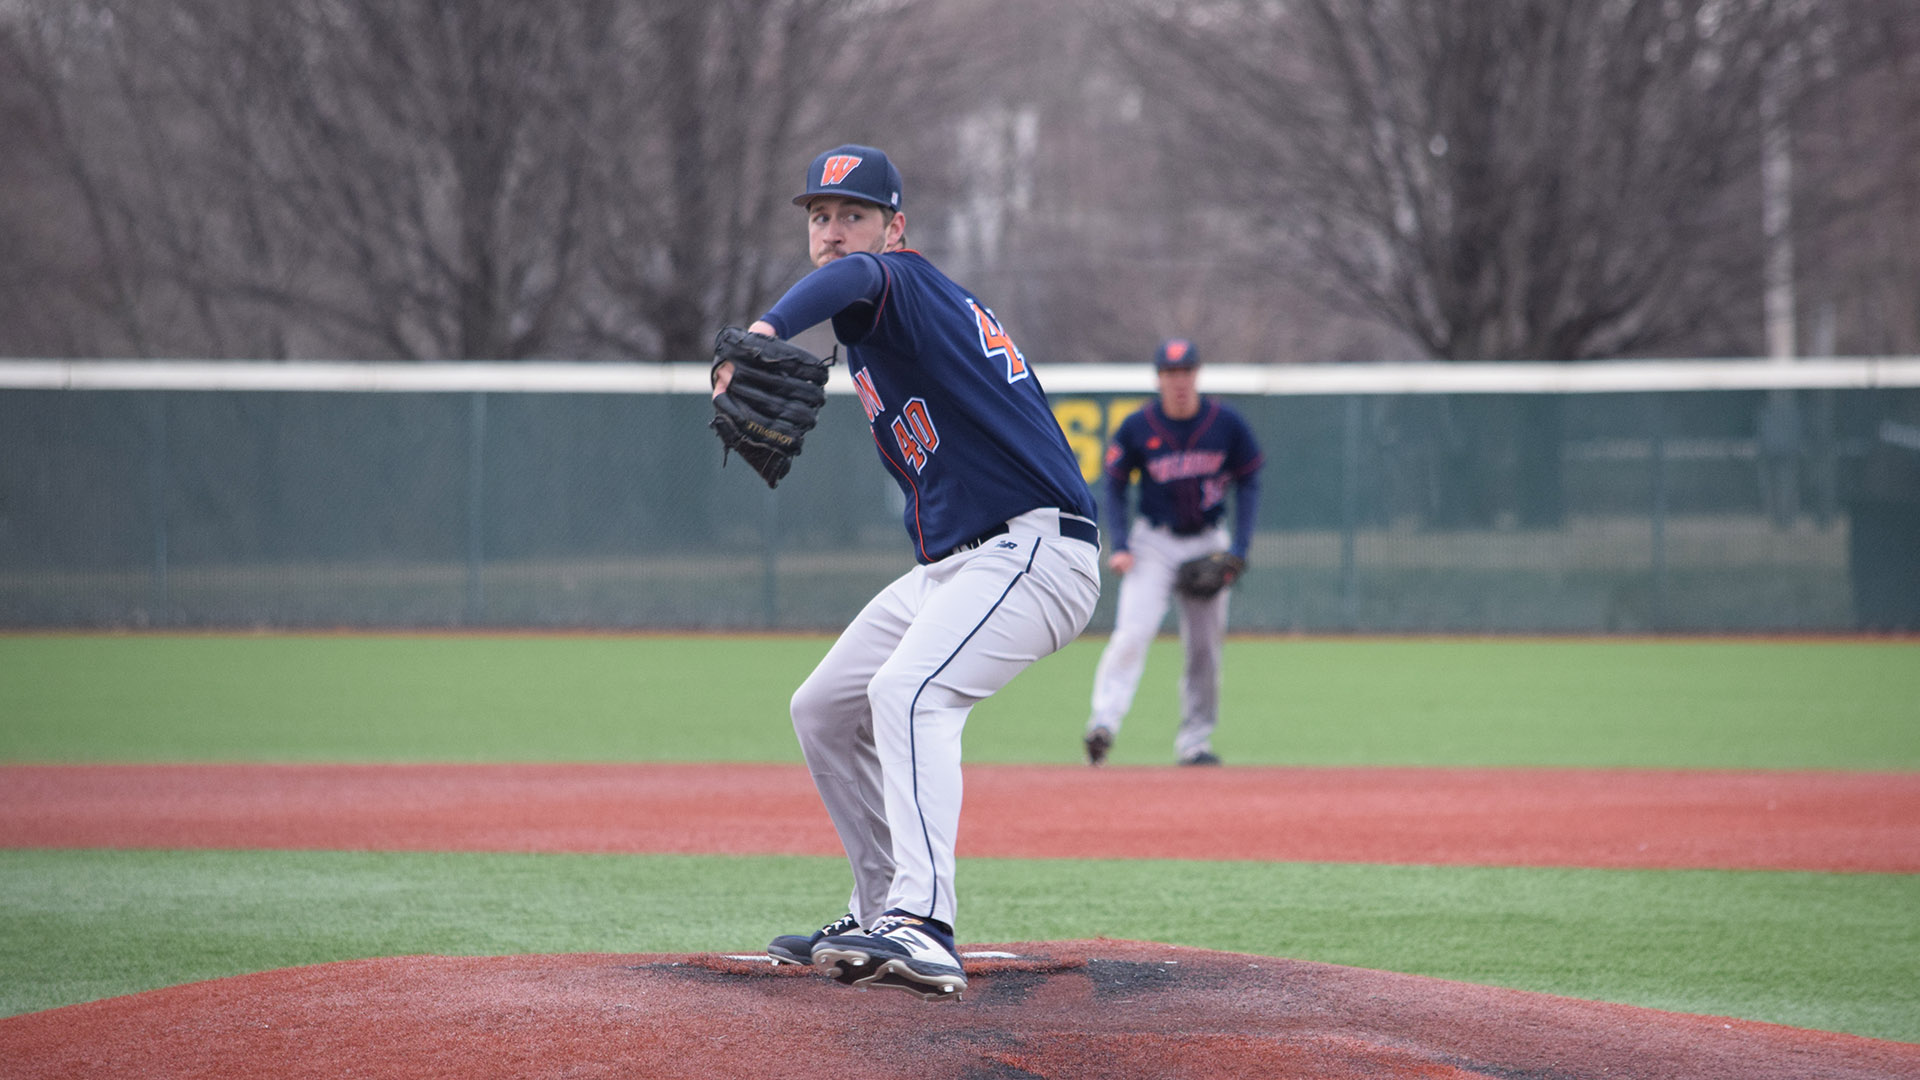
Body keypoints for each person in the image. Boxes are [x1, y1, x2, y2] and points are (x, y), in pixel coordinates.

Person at [714, 144, 1101, 1000]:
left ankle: (924, 922)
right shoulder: (878, 330)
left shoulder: (902, 284)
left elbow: (855, 282)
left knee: (912, 693)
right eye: (819, 216)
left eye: (853, 214)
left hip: (1036, 549)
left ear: (896, 227)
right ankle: (880, 903)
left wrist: (771, 331)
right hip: (961, 564)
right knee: (820, 707)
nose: (832, 230)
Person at [1082, 338, 1263, 766]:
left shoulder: (1226, 423)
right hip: (1154, 543)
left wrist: (1238, 548)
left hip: (1207, 540)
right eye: (1170, 373)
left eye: (1185, 372)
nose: (1178, 381)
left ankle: (1195, 742)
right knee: (1132, 634)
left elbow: (1250, 480)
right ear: (1159, 378)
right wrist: (1122, 543)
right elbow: (1114, 482)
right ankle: (1102, 725)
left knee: (1204, 649)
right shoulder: (1138, 427)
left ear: (1197, 375)